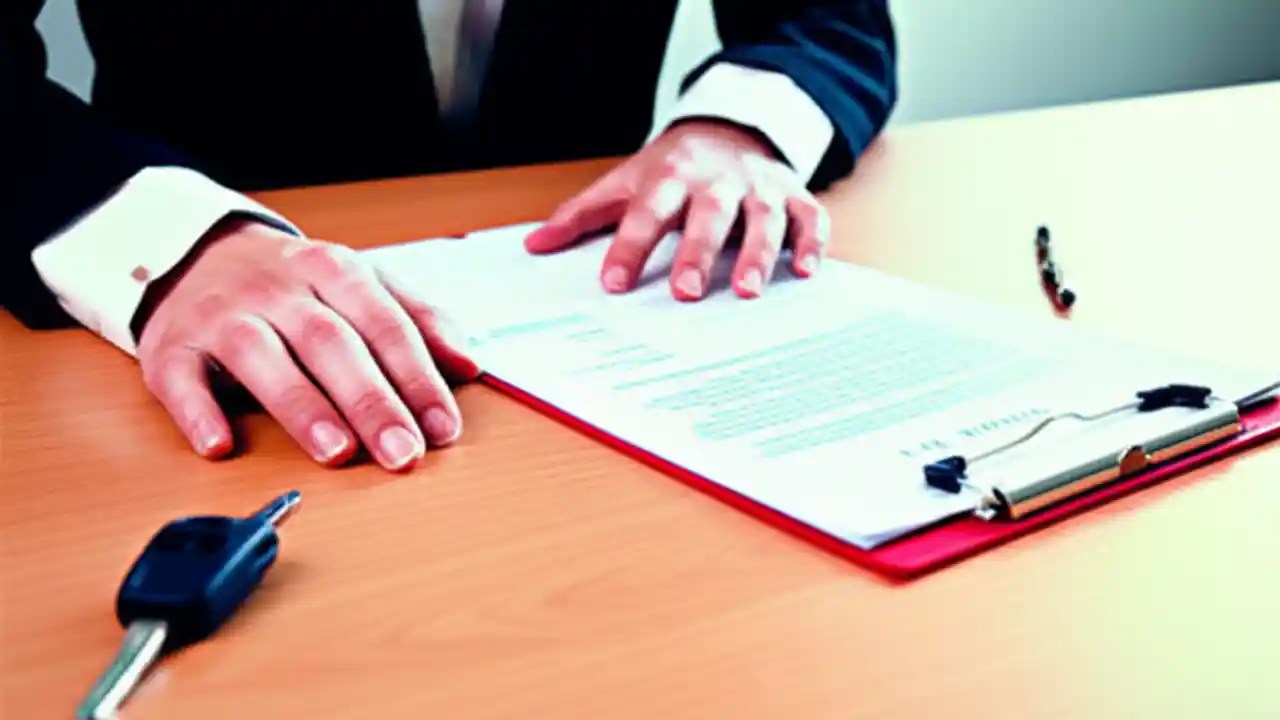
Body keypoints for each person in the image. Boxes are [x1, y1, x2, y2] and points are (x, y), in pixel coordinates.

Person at [1, 1, 898, 472]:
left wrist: (736, 126)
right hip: (186, 351)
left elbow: (828, 16)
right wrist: (164, 240)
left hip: (587, 329)